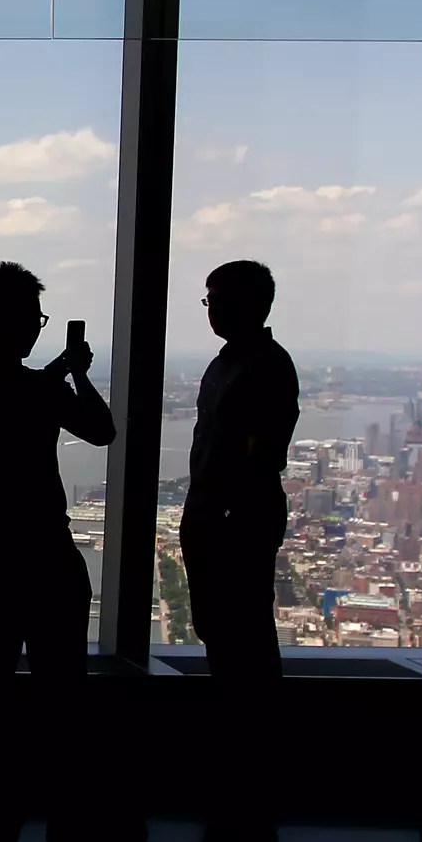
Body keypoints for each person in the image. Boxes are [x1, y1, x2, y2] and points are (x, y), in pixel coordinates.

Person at [0, 263, 116, 677]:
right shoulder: (41, 391)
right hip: (44, 546)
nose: (38, 328)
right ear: (18, 322)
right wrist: (78, 373)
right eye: (35, 318)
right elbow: (101, 430)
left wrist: (59, 369)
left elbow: (15, 392)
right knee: (60, 667)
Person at [181, 260, 299, 680]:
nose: (210, 310)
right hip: (211, 516)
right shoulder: (226, 363)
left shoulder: (266, 365)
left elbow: (261, 453)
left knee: (244, 631)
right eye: (208, 301)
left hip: (236, 522)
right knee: (217, 628)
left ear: (246, 303)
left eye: (215, 301)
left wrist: (227, 514)